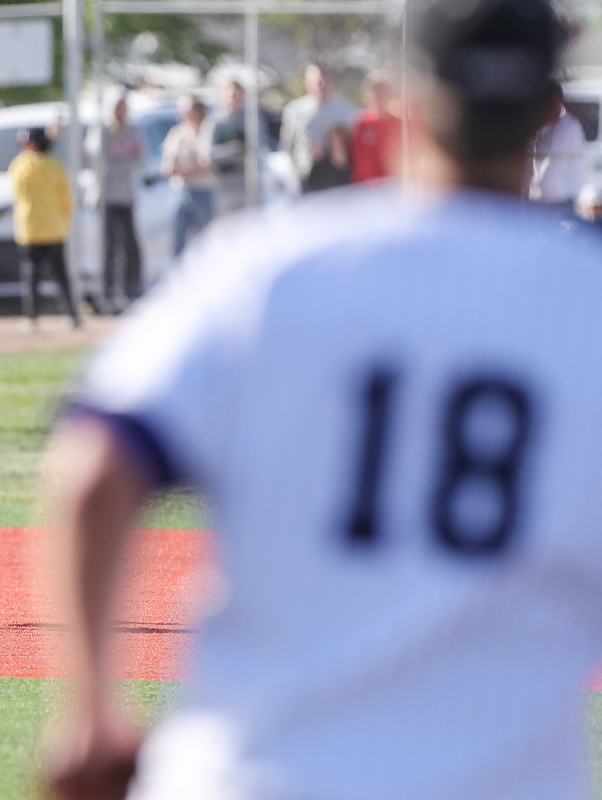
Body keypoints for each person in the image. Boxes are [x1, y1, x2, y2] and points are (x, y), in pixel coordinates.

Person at [40, 2, 602, 800]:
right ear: (551, 114)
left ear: (406, 99)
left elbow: (97, 465)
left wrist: (90, 710)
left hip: (250, 775)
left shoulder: (271, 264)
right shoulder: (589, 304)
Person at [8, 126, 81, 329]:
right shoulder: (56, 166)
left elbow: (17, 191)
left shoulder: (21, 165)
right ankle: (73, 316)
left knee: (32, 276)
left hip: (30, 229)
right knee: (61, 275)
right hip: (55, 227)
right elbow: (66, 200)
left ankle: (31, 318)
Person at [91, 94, 145, 312]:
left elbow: (140, 158)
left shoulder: (133, 130)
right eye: (117, 107)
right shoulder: (102, 131)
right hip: (106, 197)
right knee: (109, 246)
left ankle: (132, 291)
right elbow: (103, 162)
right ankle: (108, 293)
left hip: (126, 196)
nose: (120, 111)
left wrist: (121, 161)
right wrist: (124, 160)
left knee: (130, 245)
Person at [278, 63, 361, 189]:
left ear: (331, 81)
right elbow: (287, 145)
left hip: (342, 177)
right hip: (307, 178)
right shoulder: (294, 111)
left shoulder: (347, 110)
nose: (321, 85)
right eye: (316, 81)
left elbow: (356, 145)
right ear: (307, 83)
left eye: (324, 80)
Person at [160, 95, 216, 256]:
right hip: (181, 191)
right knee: (179, 244)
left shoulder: (208, 133)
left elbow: (209, 165)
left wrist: (185, 169)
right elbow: (168, 168)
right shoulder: (176, 134)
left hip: (204, 191)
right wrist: (193, 168)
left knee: (204, 243)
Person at [208, 78, 271, 215]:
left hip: (249, 184)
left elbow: (261, 149)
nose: (233, 98)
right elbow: (209, 155)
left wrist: (244, 152)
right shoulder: (215, 122)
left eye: (237, 94)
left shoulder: (253, 119)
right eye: (230, 94)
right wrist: (232, 150)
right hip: (225, 187)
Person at [529, 82, 587, 216]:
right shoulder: (538, 126)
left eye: (553, 101)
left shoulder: (570, 126)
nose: (549, 106)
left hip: (562, 201)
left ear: (560, 101)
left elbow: (576, 165)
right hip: (538, 199)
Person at [350, 70, 403, 183]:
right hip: (369, 187)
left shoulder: (399, 122)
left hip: (393, 185)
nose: (379, 96)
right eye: (375, 92)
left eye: (382, 91)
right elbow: (357, 158)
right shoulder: (362, 123)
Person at [302, 123, 353, 192]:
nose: (340, 142)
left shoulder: (354, 163)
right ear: (329, 142)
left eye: (342, 138)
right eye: (336, 139)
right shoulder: (320, 168)